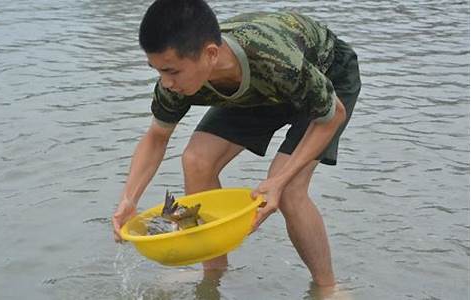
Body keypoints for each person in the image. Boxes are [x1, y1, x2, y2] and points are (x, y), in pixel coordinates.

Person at [112, 0, 361, 287]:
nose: (166, 83)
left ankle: (328, 287)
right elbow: (157, 137)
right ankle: (213, 274)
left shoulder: (277, 60)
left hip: (326, 77)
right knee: (196, 161)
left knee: (290, 189)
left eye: (172, 72)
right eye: (158, 71)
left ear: (210, 54)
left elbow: (332, 116)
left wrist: (278, 181)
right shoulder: (175, 82)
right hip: (258, 89)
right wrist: (129, 198)